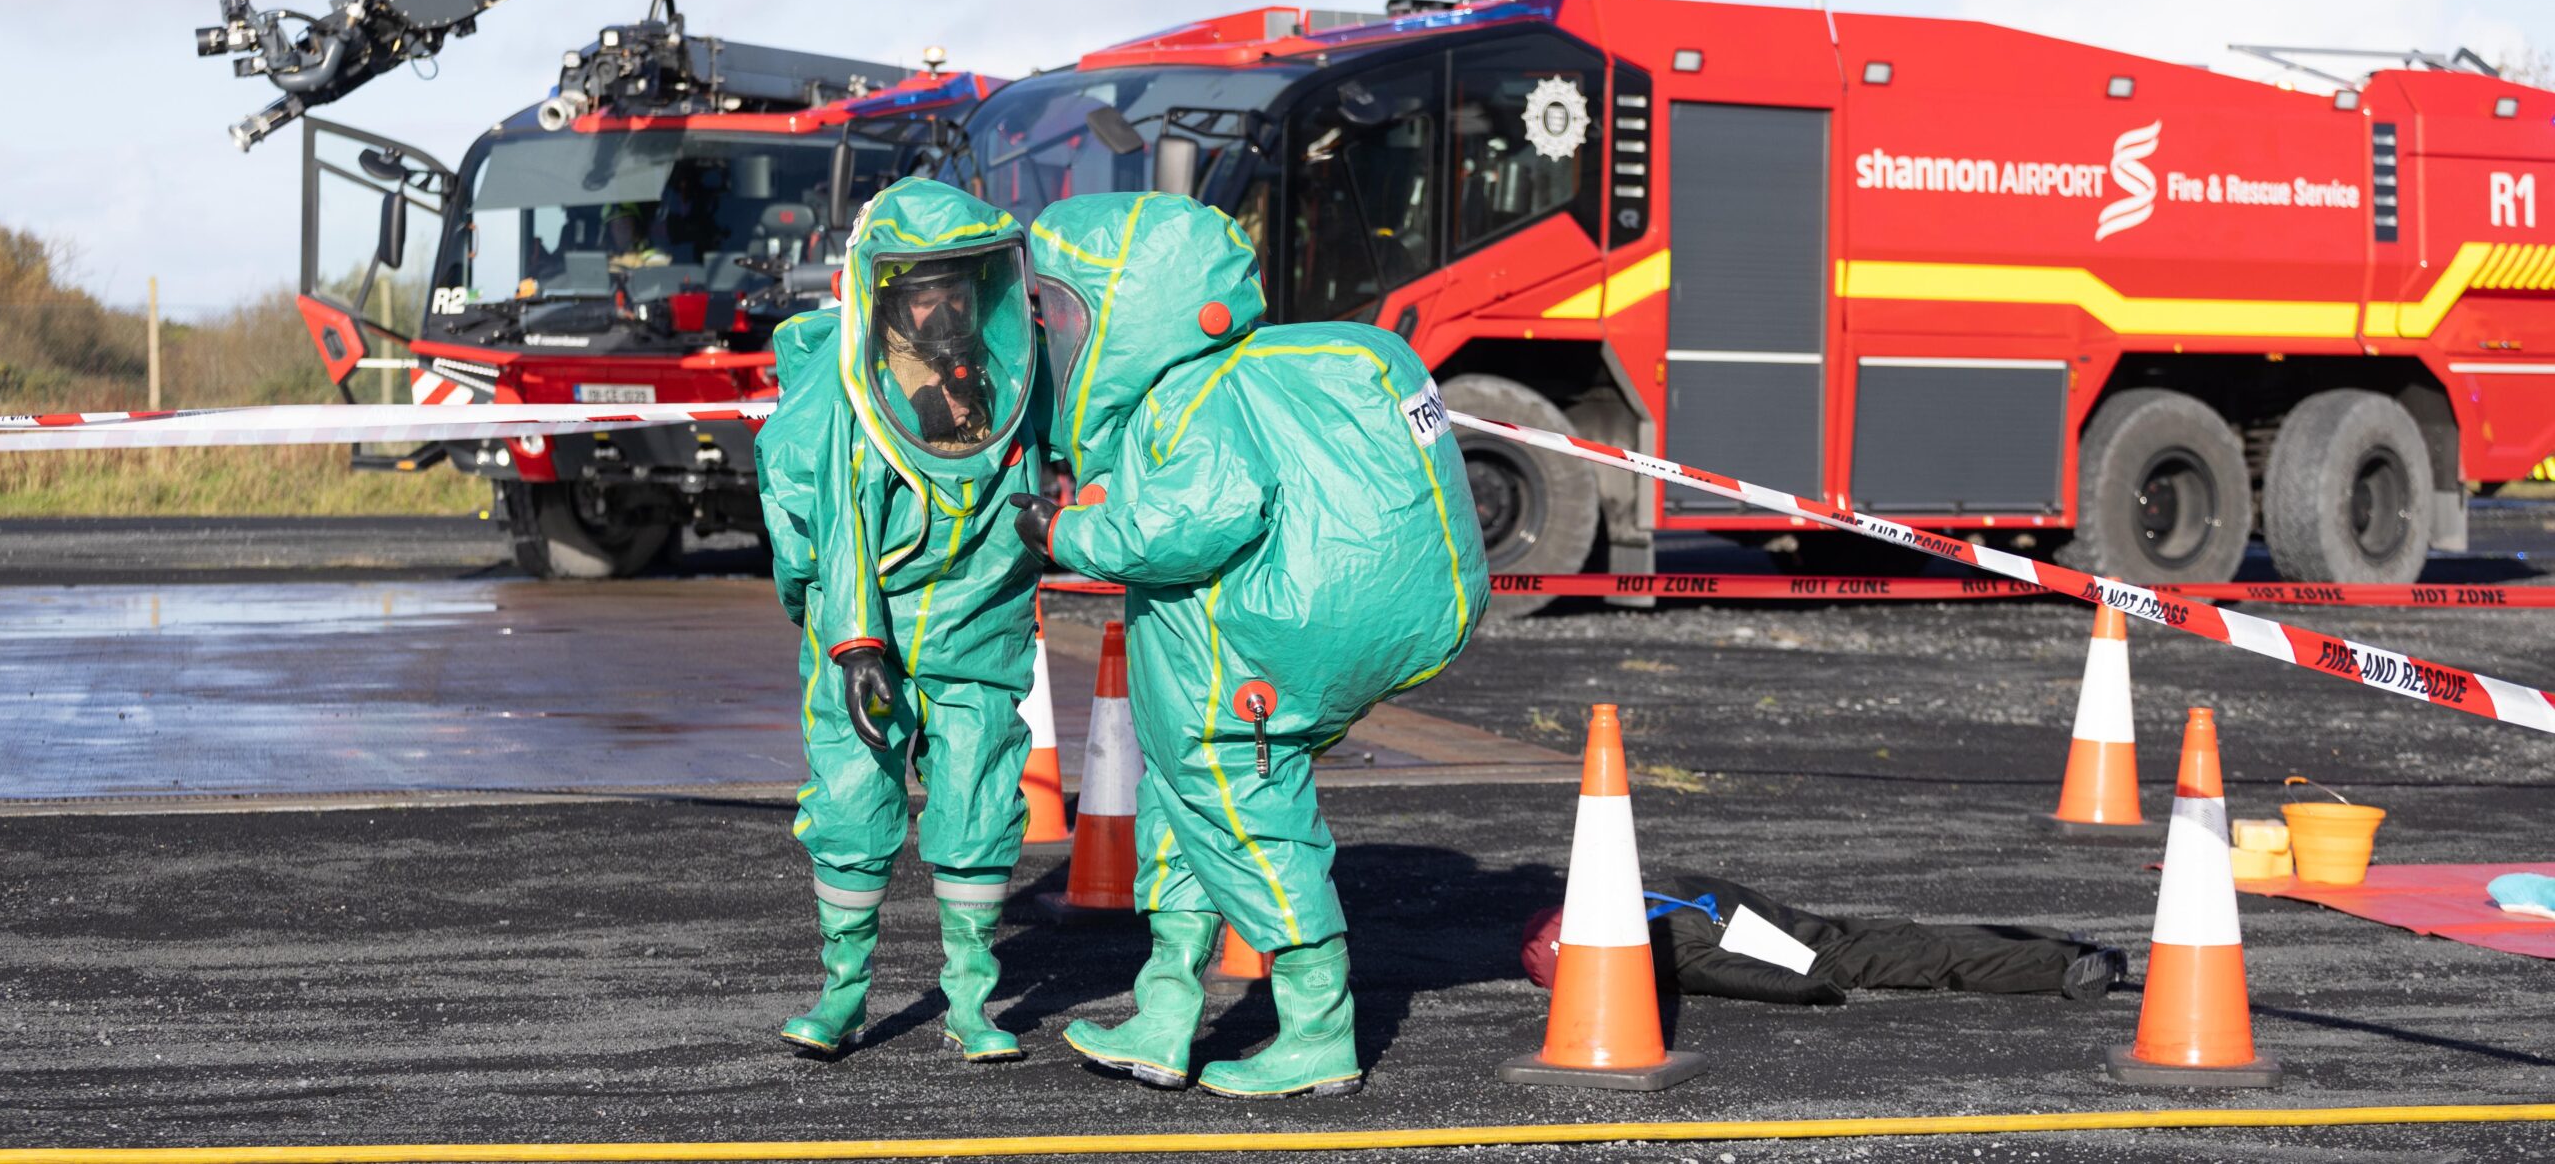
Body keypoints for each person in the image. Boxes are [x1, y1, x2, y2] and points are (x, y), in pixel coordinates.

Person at [1010, 191, 1489, 1098]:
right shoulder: (1187, 393)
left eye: (1068, 309)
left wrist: (1064, 533)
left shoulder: (1198, 398)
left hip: (1226, 685)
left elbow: (1188, 524)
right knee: (1181, 828)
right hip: (1193, 683)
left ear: (1132, 306)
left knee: (1256, 832)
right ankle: (1164, 1014)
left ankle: (1320, 1030)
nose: (1057, 331)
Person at [755, 178, 1044, 1062]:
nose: (943, 309)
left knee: (980, 799)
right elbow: (836, 520)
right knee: (850, 800)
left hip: (976, 624)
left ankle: (971, 1001)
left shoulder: (1014, 372)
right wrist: (853, 643)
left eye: (957, 287)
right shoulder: (857, 389)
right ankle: (842, 993)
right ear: (885, 294)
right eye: (923, 291)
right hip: (871, 625)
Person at [1521, 874, 2126, 1005]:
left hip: (1808, 950)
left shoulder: (1661, 948)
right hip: (1792, 921)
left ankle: (2063, 966)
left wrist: (1811, 988)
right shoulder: (1642, 888)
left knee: (1928, 958)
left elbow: (1731, 974)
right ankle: (2061, 943)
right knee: (1913, 937)